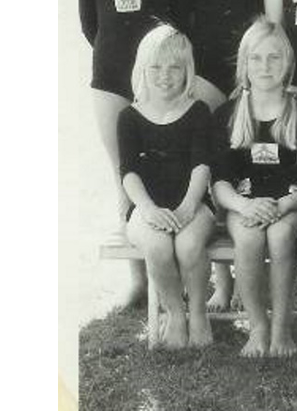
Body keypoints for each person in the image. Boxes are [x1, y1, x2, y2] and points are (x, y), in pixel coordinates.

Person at [79, 0, 191, 306]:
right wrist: (120, 62)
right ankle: (139, 281)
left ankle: (172, 275)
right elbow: (92, 26)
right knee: (123, 174)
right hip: (109, 79)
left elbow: (181, 21)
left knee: (165, 173)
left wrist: (156, 72)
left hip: (159, 79)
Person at [210, 19, 297, 358]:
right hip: (244, 205)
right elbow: (219, 183)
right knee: (248, 238)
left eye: (274, 58)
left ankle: (281, 328)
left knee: (279, 236)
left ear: (287, 63)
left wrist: (287, 204)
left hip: (294, 204)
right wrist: (245, 207)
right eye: (257, 58)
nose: (265, 66)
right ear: (244, 64)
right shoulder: (228, 114)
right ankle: (258, 325)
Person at [119, 24, 216, 350]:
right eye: (156, 67)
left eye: (175, 67)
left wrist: (189, 206)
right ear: (142, 70)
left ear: (188, 71)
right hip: (146, 206)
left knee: (189, 247)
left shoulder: (198, 111)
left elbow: (201, 165)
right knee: (158, 247)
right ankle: (175, 313)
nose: (165, 75)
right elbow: (129, 173)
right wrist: (147, 209)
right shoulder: (129, 117)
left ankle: (199, 312)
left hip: (192, 204)